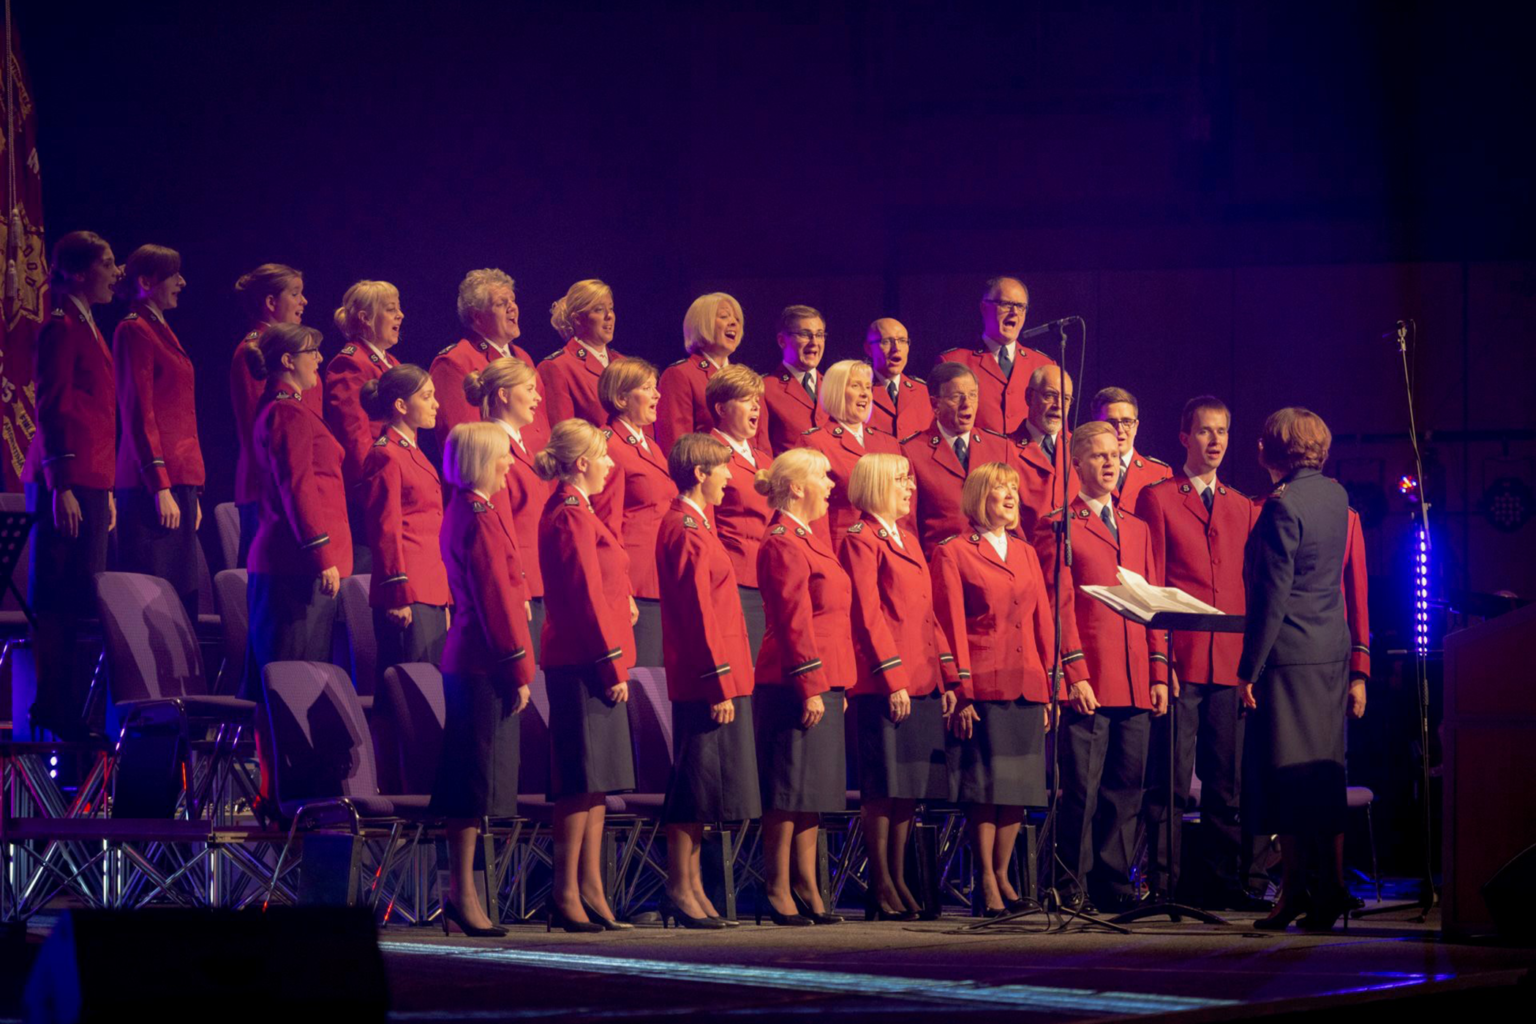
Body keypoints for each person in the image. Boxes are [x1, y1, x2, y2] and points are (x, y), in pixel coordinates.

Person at [1134, 396, 1266, 911]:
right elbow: (1154, 586)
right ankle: (1163, 883)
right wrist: (1159, 662)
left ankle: (1221, 881)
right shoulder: (1161, 497)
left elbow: (1251, 587)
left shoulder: (1241, 505)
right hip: (1182, 659)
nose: (1215, 442)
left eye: (1224, 432)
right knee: (1168, 780)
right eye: (1206, 432)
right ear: (1185, 437)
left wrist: (1251, 664)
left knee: (1224, 783)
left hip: (1228, 662)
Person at [1035, 421, 1168, 914]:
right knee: (1082, 791)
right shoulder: (1060, 525)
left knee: (1125, 790)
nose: (1110, 463)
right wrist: (1074, 673)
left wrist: (1157, 670)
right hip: (1090, 677)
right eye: (1097, 456)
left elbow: (1152, 602)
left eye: (1114, 454)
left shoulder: (1137, 527)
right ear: (1076, 465)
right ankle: (1070, 882)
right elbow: (1058, 607)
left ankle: (1113, 884)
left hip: (1134, 678)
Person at [1238, 408, 1357, 932]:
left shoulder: (1281, 507)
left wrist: (1249, 667)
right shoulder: (1335, 496)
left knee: (1286, 776)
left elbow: (1271, 595)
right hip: (1330, 651)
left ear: (1272, 451)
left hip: (1289, 656)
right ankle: (1327, 888)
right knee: (1325, 773)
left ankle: (1291, 894)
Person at [930, 462, 1062, 915]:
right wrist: (960, 690)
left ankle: (1005, 876)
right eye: (998, 488)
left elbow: (1043, 621)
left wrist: (1051, 687)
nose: (1009, 495)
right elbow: (947, 625)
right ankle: (983, 879)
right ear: (977, 497)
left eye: (1012, 488)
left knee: (1017, 792)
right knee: (984, 790)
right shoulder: (954, 552)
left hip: (1026, 683)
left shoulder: (1026, 552)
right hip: (984, 685)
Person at [838, 453, 957, 920]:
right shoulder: (862, 538)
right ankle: (881, 882)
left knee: (907, 787)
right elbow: (866, 614)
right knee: (881, 787)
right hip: (884, 683)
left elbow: (928, 615)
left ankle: (899, 876)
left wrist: (946, 675)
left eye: (911, 479)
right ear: (876, 486)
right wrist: (892, 677)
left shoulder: (906, 537)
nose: (910, 488)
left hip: (922, 678)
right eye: (901, 480)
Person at [432, 422, 537, 937]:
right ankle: (461, 896)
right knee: (471, 784)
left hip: (478, 659)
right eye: (502, 458)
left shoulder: (480, 511)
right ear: (480, 461)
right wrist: (518, 668)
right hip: (481, 662)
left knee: (478, 784)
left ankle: (465, 895)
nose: (511, 465)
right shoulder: (477, 515)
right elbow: (497, 598)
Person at [535, 418, 638, 933]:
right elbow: (583, 597)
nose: (611, 464)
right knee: (578, 782)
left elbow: (604, 583)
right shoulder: (569, 514)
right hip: (582, 660)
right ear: (581, 463)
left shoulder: (582, 511)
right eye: (603, 455)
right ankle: (564, 893)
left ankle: (592, 890)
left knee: (596, 785)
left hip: (595, 656)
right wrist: (609, 662)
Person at [655, 433, 761, 929]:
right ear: (700, 472)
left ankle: (693, 886)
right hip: (704, 680)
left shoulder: (698, 524)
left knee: (707, 791)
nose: (730, 477)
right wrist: (718, 681)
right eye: (723, 468)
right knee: (694, 786)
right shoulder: (683, 526)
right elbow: (697, 612)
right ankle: (680, 885)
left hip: (718, 675)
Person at [752, 448, 853, 926]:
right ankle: (776, 886)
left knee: (812, 790)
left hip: (825, 677)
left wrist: (835, 683)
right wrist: (810, 683)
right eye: (824, 478)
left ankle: (808, 884)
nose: (832, 486)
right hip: (793, 680)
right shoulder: (781, 541)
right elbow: (793, 621)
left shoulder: (809, 537)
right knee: (787, 790)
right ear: (796, 486)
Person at [25, 231, 120, 738]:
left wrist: (103, 490)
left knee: (85, 596)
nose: (115, 271)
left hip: (89, 477)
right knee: (61, 597)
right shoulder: (61, 327)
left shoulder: (87, 325)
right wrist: (61, 481)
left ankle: (75, 711)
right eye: (107, 262)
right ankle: (57, 707)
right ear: (80, 271)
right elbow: (53, 404)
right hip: (65, 476)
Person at [244, 323, 352, 695]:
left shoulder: (289, 406)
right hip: (295, 564)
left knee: (301, 682)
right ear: (288, 361)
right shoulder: (288, 411)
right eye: (312, 352)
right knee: (293, 688)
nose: (319, 360)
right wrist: (321, 554)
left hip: (295, 561)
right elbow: (298, 487)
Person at [111, 244, 205, 623]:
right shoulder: (133, 330)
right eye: (174, 275)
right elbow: (138, 411)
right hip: (151, 484)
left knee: (183, 605)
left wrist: (190, 490)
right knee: (157, 609)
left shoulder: (159, 328)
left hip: (176, 480)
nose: (182, 282)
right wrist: (160, 485)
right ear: (147, 282)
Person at [359, 365, 449, 673]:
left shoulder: (413, 451)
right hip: (408, 589)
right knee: (410, 691)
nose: (436, 404)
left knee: (430, 689)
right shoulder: (386, 454)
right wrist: (396, 593)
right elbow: (385, 528)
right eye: (426, 396)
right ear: (401, 405)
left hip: (430, 586)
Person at [463, 357, 551, 652]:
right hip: (522, 584)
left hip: (539, 578)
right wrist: (519, 586)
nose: (538, 397)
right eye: (529, 389)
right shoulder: (493, 445)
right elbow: (499, 527)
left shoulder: (520, 444)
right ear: (503, 394)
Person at [592, 358, 675, 667]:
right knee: (645, 680)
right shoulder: (608, 446)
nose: (657, 396)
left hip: (662, 578)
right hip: (638, 583)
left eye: (656, 388)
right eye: (647, 389)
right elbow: (604, 526)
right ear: (621, 397)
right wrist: (622, 589)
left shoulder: (652, 446)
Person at [232, 263, 311, 564]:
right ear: (270, 303)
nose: (304, 302)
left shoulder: (287, 347)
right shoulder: (256, 350)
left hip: (286, 481)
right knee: (262, 579)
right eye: (295, 294)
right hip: (267, 485)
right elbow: (264, 428)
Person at [326, 281, 405, 573]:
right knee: (370, 569)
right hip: (370, 487)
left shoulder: (391, 362)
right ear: (365, 318)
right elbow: (353, 432)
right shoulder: (350, 363)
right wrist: (369, 484)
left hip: (393, 478)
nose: (400, 316)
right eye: (391, 309)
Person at [902, 362, 1014, 556]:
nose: (967, 404)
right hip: (941, 562)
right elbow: (907, 523)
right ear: (935, 404)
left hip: (993, 564)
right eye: (956, 397)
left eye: (972, 395)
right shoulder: (912, 451)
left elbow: (1013, 514)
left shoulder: (999, 447)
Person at [430, 268, 547, 456]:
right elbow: (467, 446)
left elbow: (541, 425)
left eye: (513, 300)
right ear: (477, 317)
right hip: (502, 476)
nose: (513, 308)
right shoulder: (454, 362)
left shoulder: (523, 356)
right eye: (501, 304)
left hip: (540, 475)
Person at [704, 365, 774, 656]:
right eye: (746, 399)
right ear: (721, 408)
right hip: (737, 581)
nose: (755, 406)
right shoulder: (708, 454)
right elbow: (705, 525)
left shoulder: (765, 460)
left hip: (771, 581)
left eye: (757, 400)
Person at [799, 359, 903, 537]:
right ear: (836, 391)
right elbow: (811, 514)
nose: (865, 394)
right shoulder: (815, 443)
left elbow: (905, 510)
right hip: (844, 549)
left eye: (868, 387)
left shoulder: (888, 443)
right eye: (856, 386)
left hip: (890, 550)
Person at [655, 292, 770, 452]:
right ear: (701, 324)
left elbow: (761, 442)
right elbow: (676, 447)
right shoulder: (680, 375)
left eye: (737, 320)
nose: (734, 324)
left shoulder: (748, 379)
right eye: (724, 317)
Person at [939, 277, 1055, 435]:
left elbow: (1058, 430)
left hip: (1027, 458)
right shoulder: (954, 362)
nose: (1014, 312)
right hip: (978, 458)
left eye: (1020, 306)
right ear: (984, 307)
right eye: (1006, 304)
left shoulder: (1044, 365)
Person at [539, 279, 624, 428]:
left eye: (611, 308)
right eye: (598, 309)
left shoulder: (623, 363)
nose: (609, 315)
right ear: (577, 319)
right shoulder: (557, 367)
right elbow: (564, 436)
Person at [1011, 364, 1080, 537]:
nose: (1058, 405)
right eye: (1050, 395)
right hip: (1027, 556)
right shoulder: (1005, 448)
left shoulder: (1080, 446)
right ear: (1029, 397)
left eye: (1065, 399)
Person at [760, 305, 829, 454]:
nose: (814, 342)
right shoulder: (764, 389)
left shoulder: (833, 386)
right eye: (805, 334)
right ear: (782, 340)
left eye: (820, 334)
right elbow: (762, 450)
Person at [1093, 387, 1172, 513]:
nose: (1120, 429)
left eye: (1127, 421)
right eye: (1111, 422)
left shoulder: (1160, 474)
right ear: (1095, 426)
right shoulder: (1082, 470)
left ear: (1136, 426)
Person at [865, 318, 932, 439]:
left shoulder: (923, 392)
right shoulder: (858, 390)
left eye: (902, 341)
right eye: (886, 341)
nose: (896, 348)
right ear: (868, 349)